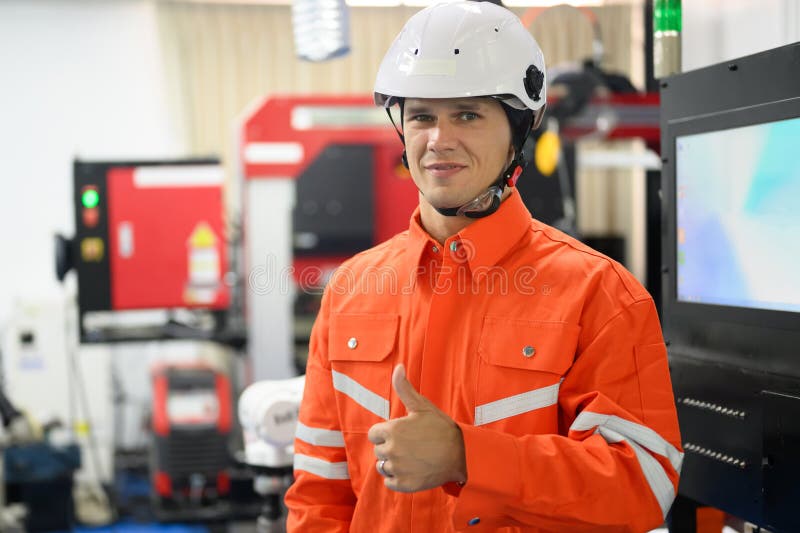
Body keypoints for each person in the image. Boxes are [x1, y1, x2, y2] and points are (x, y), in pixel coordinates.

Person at [284, 2, 682, 531]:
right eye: (422, 115)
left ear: (519, 130)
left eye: (467, 114)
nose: (438, 140)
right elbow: (319, 494)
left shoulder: (601, 295)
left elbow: (641, 484)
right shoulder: (352, 290)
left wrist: (467, 458)